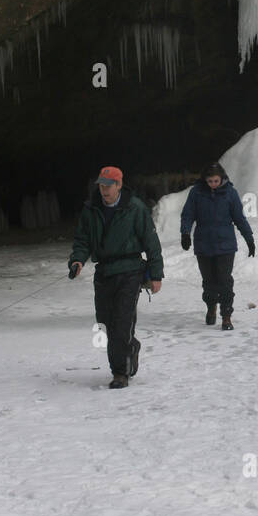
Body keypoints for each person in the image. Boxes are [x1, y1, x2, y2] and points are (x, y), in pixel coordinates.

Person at [68, 165, 163, 389]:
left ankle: (120, 372)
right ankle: (131, 348)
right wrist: (77, 260)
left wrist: (156, 274)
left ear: (119, 185)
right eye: (102, 185)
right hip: (104, 272)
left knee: (122, 323)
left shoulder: (135, 208)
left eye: (109, 186)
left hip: (130, 271)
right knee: (106, 323)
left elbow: (151, 243)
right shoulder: (91, 209)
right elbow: (82, 240)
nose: (105, 190)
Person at [180, 162, 255, 330]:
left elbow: (239, 218)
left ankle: (226, 316)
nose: (213, 184)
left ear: (222, 178)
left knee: (225, 281)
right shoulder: (196, 193)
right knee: (209, 281)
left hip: (225, 245)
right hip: (203, 244)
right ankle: (211, 306)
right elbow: (187, 214)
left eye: (215, 181)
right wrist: (185, 233)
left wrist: (249, 239)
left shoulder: (230, 193)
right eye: (209, 181)